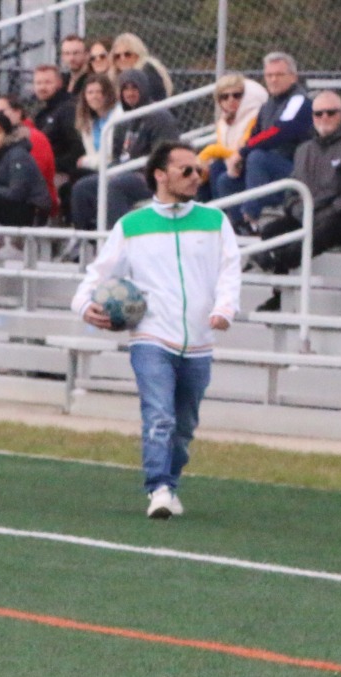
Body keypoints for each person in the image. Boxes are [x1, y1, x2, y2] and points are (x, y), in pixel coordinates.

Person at [72, 141, 239, 519]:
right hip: (151, 337)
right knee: (159, 414)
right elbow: (98, 275)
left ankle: (170, 482)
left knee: (183, 427)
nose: (195, 176)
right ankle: (159, 488)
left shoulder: (215, 221)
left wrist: (225, 307)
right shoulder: (132, 225)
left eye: (198, 170)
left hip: (199, 341)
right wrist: (84, 306)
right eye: (186, 170)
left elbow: (230, 271)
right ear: (160, 175)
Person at [258, 94, 341, 280]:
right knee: (271, 230)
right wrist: (299, 211)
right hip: (312, 215)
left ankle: (281, 261)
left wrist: (331, 210)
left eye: (331, 113)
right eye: (318, 113)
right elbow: (292, 190)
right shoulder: (304, 149)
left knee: (324, 229)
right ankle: (278, 294)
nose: (324, 118)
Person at [69, 69, 174, 231]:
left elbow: (164, 156)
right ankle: (89, 242)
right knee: (82, 187)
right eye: (125, 89)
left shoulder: (159, 117)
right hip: (124, 172)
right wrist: (113, 170)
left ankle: (120, 240)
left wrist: (130, 171)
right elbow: (118, 155)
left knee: (115, 186)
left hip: (151, 177)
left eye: (134, 88)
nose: (130, 93)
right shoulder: (123, 120)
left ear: (144, 89)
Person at [237, 54, 314, 224]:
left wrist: (243, 151)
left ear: (293, 77)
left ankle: (250, 217)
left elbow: (280, 132)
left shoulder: (299, 100)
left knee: (257, 157)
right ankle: (232, 225)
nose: (273, 80)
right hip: (270, 169)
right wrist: (237, 157)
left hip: (296, 171)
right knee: (222, 172)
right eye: (269, 75)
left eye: (279, 75)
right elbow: (254, 135)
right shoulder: (268, 105)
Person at [0, 111, 50, 238]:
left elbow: (17, 193)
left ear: (7, 134)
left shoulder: (17, 154)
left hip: (32, 211)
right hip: (12, 205)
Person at [200, 72, 268, 203]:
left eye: (237, 95)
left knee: (218, 171)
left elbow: (242, 150)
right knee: (207, 173)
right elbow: (226, 152)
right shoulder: (223, 122)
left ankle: (227, 218)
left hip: (248, 169)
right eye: (224, 97)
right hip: (229, 166)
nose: (231, 100)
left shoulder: (254, 118)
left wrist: (210, 151)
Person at [0, 95, 60, 218]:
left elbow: (28, 180)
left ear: (17, 113)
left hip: (30, 204)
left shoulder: (34, 138)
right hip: (6, 197)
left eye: (1, 112)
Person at [32, 65, 81, 201]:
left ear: (59, 83)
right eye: (38, 83)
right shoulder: (43, 112)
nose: (42, 87)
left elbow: (76, 148)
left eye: (48, 82)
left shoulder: (68, 109)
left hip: (61, 173)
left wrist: (52, 165)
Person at [71, 71, 118, 193]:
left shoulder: (117, 115)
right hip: (98, 169)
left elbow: (111, 155)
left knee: (80, 183)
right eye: (90, 93)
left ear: (108, 94)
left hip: (114, 169)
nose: (94, 96)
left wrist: (87, 161)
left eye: (99, 92)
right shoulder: (88, 121)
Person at [108, 32, 173, 98]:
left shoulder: (147, 71)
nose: (122, 59)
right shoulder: (117, 77)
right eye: (117, 56)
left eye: (127, 54)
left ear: (137, 54)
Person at [61, 33, 97, 102]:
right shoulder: (62, 81)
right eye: (67, 54)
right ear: (62, 57)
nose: (71, 58)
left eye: (76, 53)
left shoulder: (92, 80)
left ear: (87, 55)